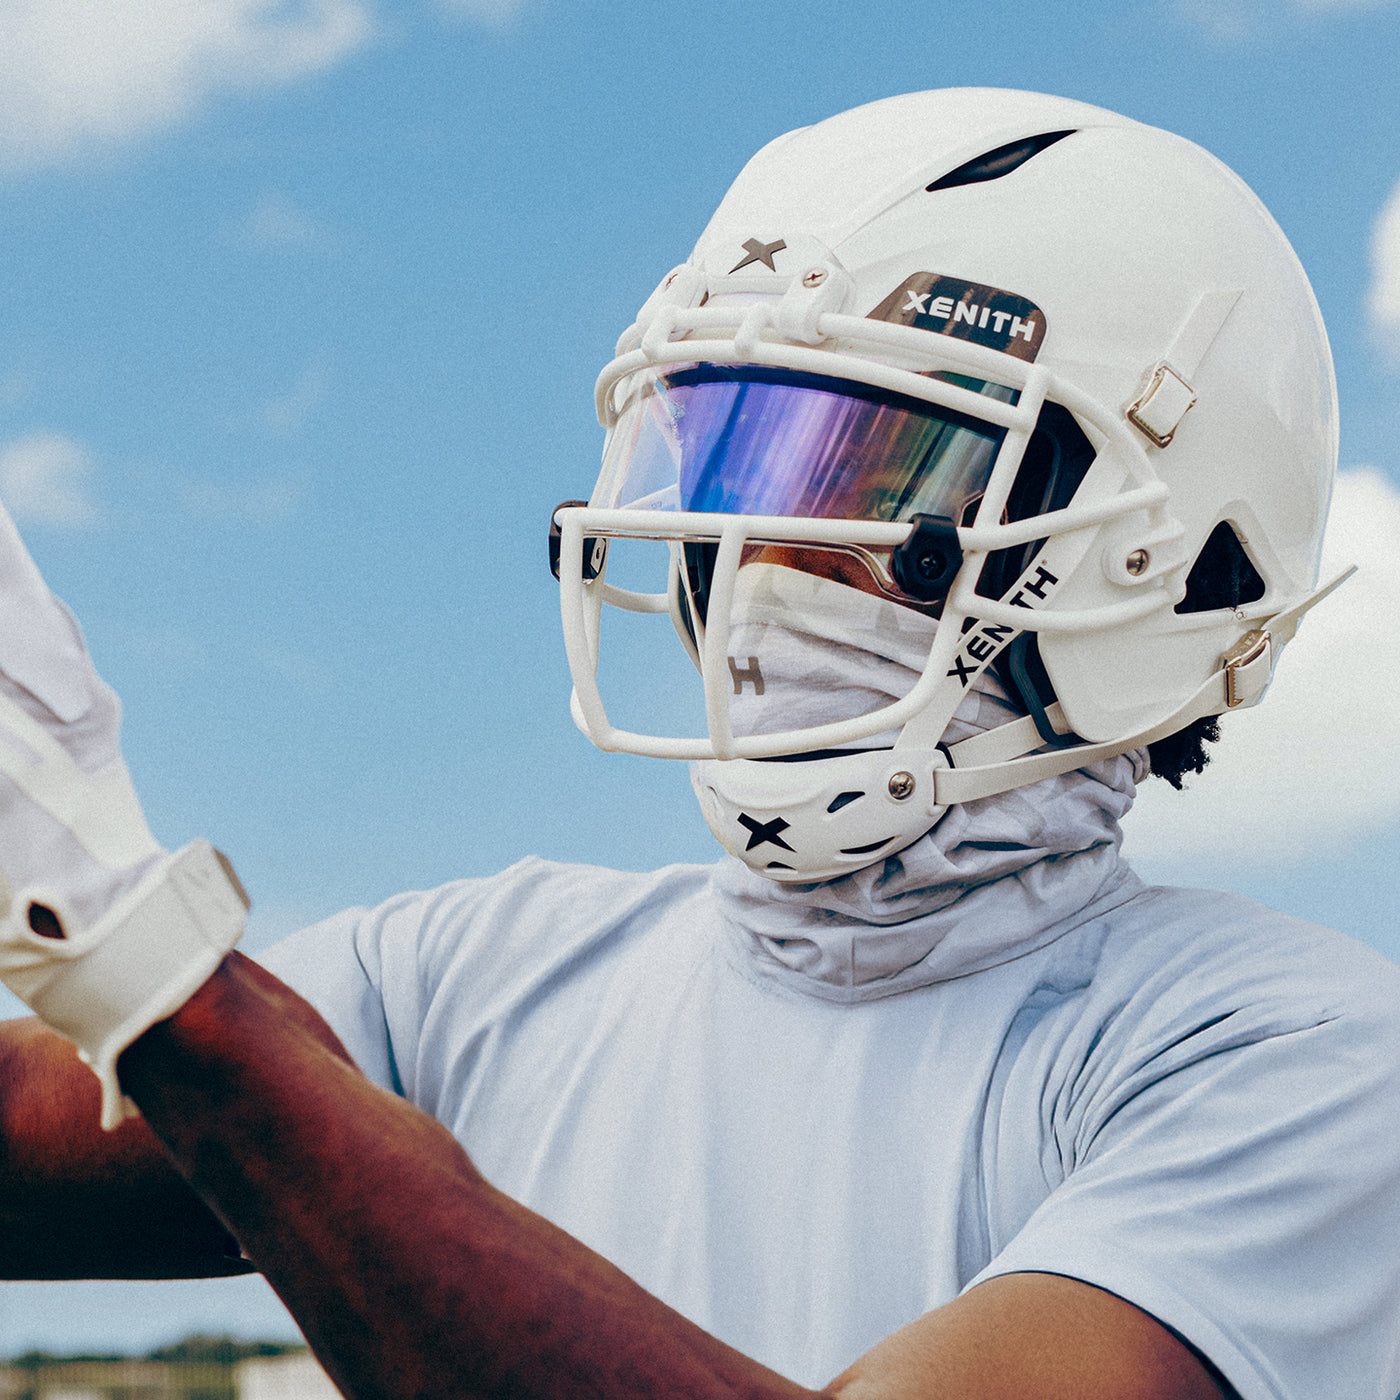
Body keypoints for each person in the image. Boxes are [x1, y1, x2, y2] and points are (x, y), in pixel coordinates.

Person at [0, 87, 1397, 1400]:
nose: (759, 558)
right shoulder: (479, 973)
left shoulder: (1311, 1062)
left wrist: (153, 978)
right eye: (728, 465)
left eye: (866, 474)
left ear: (1160, 562)